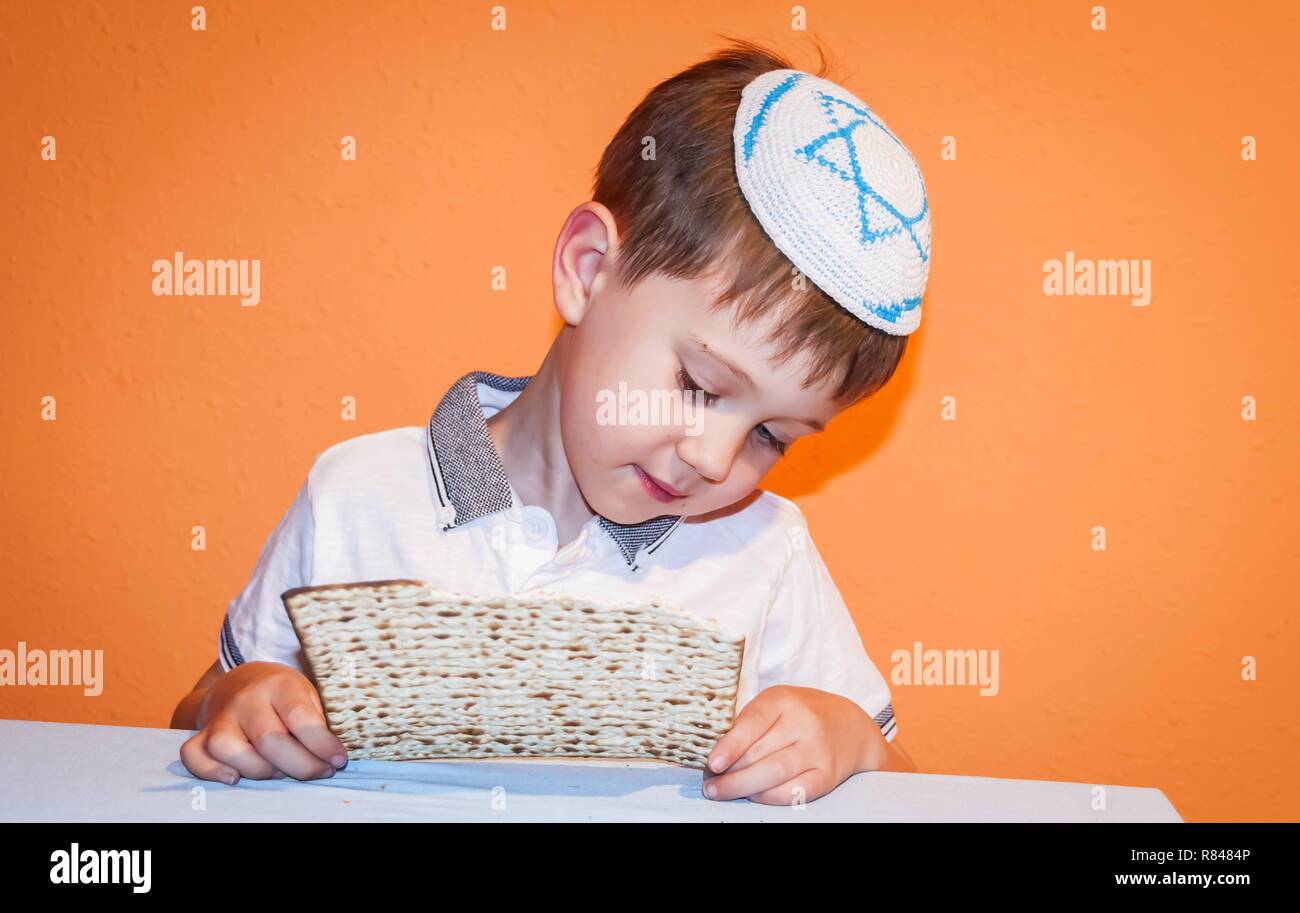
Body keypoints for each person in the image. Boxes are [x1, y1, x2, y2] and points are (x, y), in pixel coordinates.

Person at [173, 36, 930, 805]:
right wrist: (242, 700)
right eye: (699, 385)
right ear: (588, 269)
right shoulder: (358, 499)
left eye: (773, 436)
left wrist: (849, 737)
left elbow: (906, 786)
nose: (713, 457)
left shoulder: (766, 557)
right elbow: (195, 713)